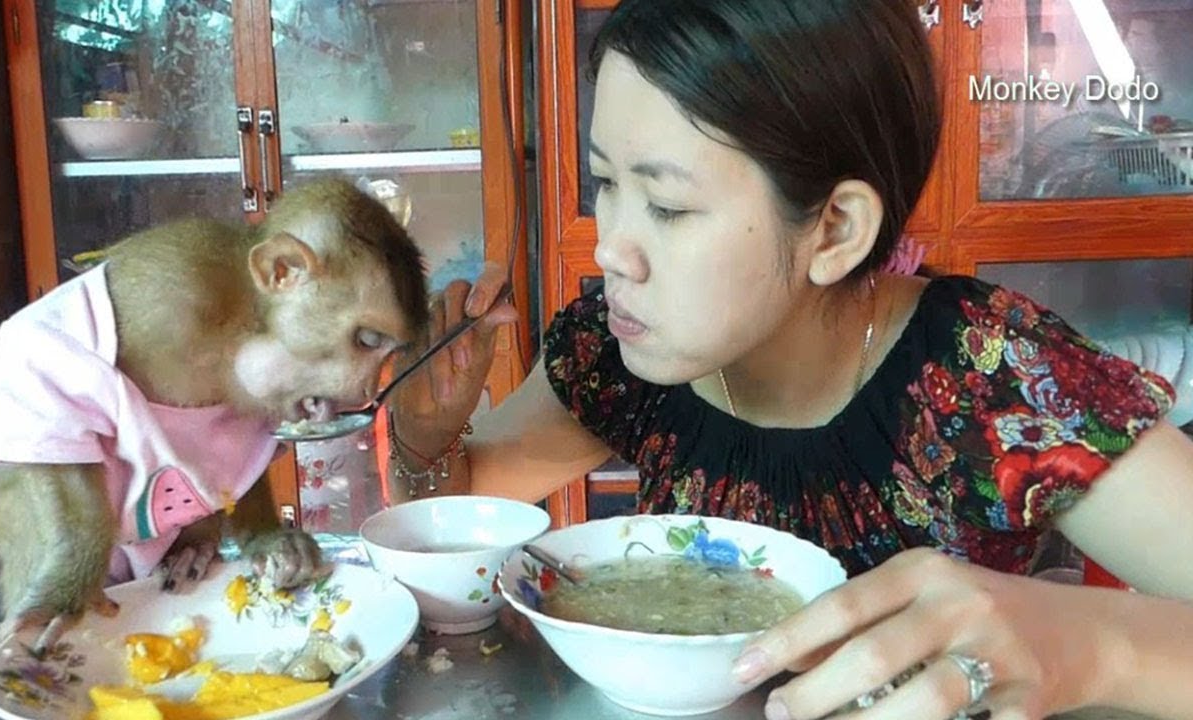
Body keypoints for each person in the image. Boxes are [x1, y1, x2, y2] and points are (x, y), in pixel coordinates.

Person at [386, 1, 1193, 718]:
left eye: (667, 205)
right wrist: (424, 434)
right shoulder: (618, 349)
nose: (609, 249)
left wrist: (1085, 642)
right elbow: (459, 527)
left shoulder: (987, 376)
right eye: (605, 182)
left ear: (835, 230)